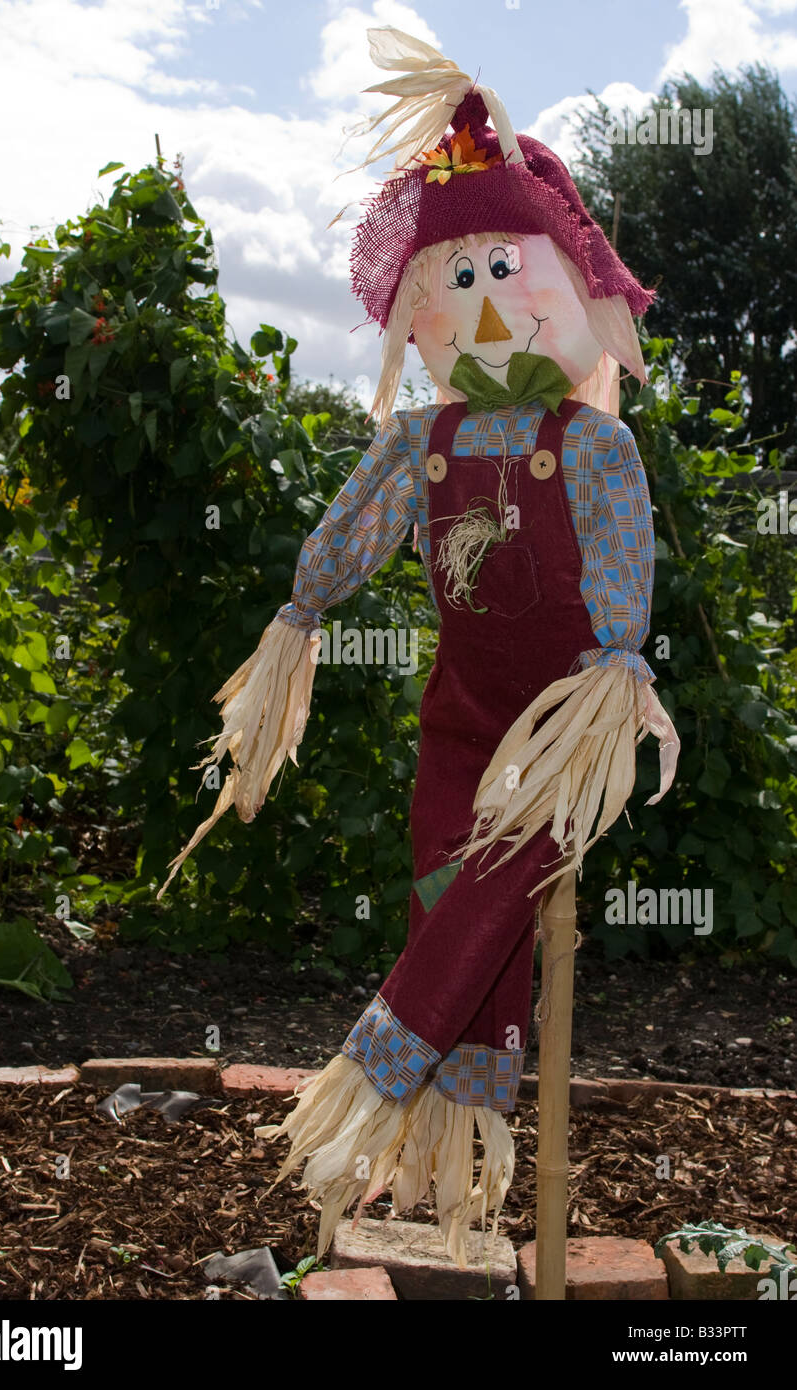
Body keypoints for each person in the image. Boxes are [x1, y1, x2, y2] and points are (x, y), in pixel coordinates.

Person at [160, 26, 679, 1266]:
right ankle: (450, 1147)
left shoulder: (592, 447)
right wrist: (300, 616)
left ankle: (376, 1071)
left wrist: (613, 674)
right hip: (458, 715)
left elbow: (620, 581)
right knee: (442, 880)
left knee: (504, 873)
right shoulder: (422, 443)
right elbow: (347, 537)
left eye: (504, 269)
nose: (481, 304)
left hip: (562, 726)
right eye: (451, 279)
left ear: (565, 281)